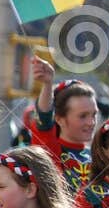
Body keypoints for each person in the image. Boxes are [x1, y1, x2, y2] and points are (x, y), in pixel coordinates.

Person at [26, 58, 99, 191]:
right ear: (59, 119)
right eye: (82, 116)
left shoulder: (99, 156)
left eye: (94, 114)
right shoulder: (51, 149)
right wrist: (48, 84)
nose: (91, 122)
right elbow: (44, 117)